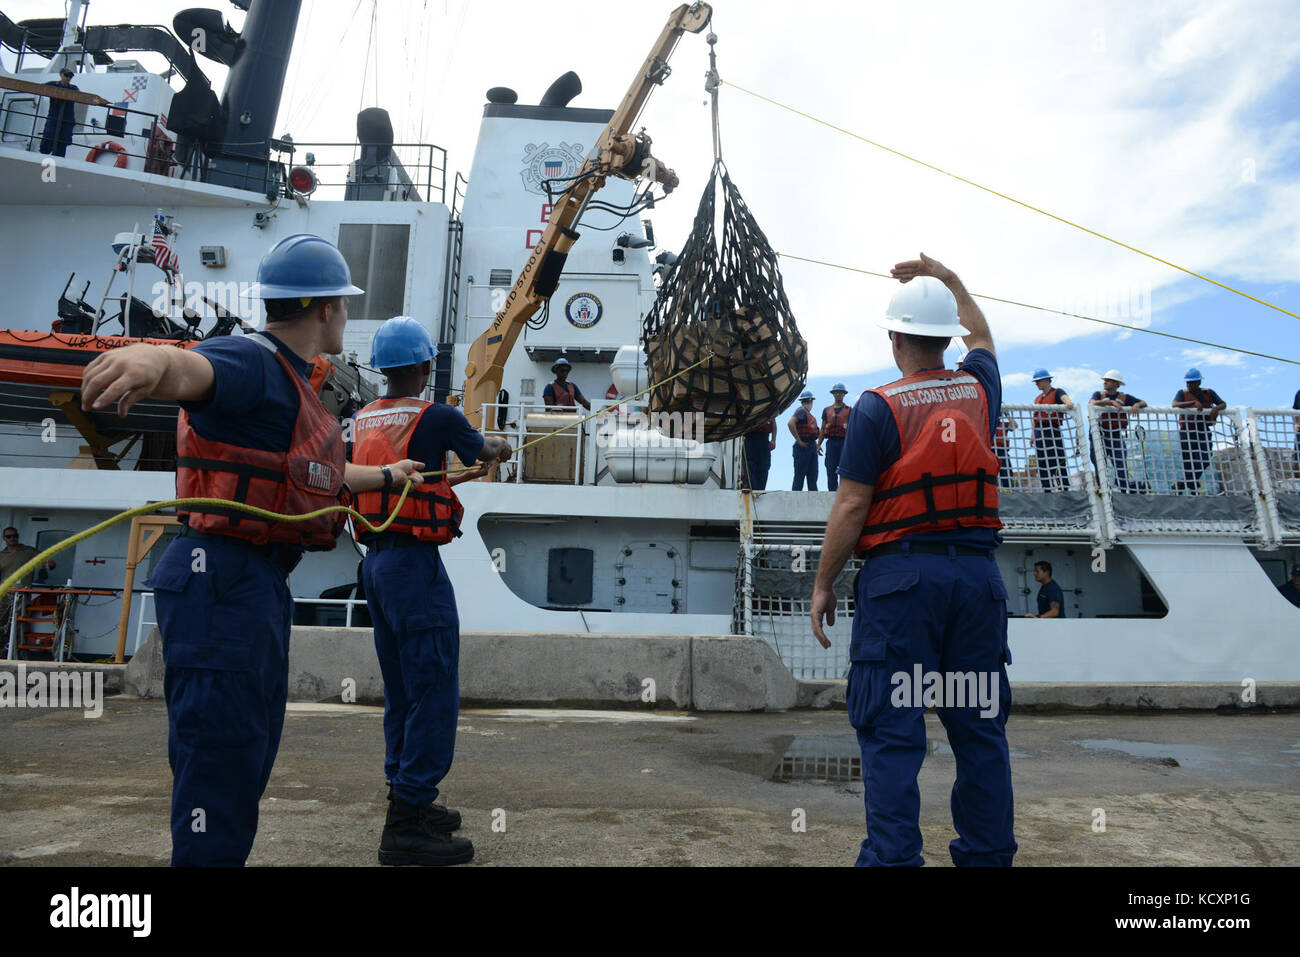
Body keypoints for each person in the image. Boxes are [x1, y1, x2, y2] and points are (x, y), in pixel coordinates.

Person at [79, 233, 424, 866]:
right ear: (325, 309)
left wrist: (390, 475)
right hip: (223, 581)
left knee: (245, 753)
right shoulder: (251, 360)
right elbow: (198, 370)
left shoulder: (294, 387)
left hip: (250, 584)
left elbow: (321, 474)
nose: (346, 315)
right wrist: (155, 360)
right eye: (344, 304)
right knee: (221, 759)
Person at [810, 252, 1016, 868]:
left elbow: (851, 506)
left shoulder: (877, 405)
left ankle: (894, 861)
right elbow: (981, 333)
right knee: (979, 730)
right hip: (978, 582)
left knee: (893, 732)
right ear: (945, 338)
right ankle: (986, 858)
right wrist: (950, 279)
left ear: (895, 336)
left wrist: (824, 585)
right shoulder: (980, 387)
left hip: (901, 584)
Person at [352, 316, 511, 867]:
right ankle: (408, 825)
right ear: (424, 366)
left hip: (374, 566)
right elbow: (479, 450)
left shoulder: (361, 418)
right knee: (435, 688)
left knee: (402, 688)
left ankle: (408, 796)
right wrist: (501, 445)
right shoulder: (437, 415)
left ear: (380, 367)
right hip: (415, 567)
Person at [1089, 370, 1146, 493]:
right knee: (1099, 462)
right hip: (1099, 433)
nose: (1105, 382)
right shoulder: (1098, 395)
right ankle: (1102, 488)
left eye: (1108, 380)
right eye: (1105, 380)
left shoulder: (1125, 398)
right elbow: (1092, 403)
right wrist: (1109, 402)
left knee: (1120, 462)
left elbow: (1143, 402)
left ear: (1116, 384)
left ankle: (1123, 487)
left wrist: (1136, 405)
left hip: (1114, 433)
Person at [1171, 368, 1225, 494]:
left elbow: (1223, 403)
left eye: (1192, 383)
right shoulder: (1182, 393)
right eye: (1188, 383)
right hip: (1187, 431)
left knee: (1204, 459)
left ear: (1199, 382)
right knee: (1188, 461)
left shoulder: (1208, 393)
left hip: (1202, 430)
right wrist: (1193, 402)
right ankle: (1191, 485)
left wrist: (1216, 408)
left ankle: (1185, 482)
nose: (1189, 385)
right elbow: (1174, 404)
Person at [1031, 369, 1073, 491]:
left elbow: (1064, 397)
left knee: (1058, 459)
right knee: (1042, 462)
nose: (1036, 384)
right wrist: (1032, 435)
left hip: (1052, 430)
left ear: (1046, 380)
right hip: (1040, 431)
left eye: (1038, 381)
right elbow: (1035, 418)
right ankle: (1047, 489)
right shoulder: (1037, 399)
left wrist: (1068, 402)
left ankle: (1063, 486)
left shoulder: (1057, 392)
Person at [39, 68, 79, 158]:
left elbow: (78, 95)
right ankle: (43, 155)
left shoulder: (74, 88)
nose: (68, 77)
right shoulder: (52, 84)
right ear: (61, 75)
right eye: (66, 75)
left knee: (63, 140)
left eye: (70, 76)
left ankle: (58, 159)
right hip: (54, 115)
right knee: (49, 134)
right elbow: (41, 88)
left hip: (67, 118)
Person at [819, 384, 851, 492]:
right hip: (831, 443)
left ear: (844, 394)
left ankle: (843, 492)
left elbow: (853, 429)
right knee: (830, 468)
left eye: (841, 392)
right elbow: (823, 429)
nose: (838, 394)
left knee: (844, 468)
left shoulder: (849, 410)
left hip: (844, 443)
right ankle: (832, 492)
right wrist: (818, 444)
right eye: (836, 392)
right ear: (833, 394)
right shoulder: (826, 410)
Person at [789, 390, 820, 491]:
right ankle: (795, 500)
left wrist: (816, 446)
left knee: (812, 476)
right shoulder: (801, 411)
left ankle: (813, 499)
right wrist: (799, 441)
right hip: (803, 446)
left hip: (811, 446)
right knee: (800, 476)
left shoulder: (808, 415)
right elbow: (790, 423)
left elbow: (811, 434)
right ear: (810, 401)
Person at [741, 418, 776, 491]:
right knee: (749, 464)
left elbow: (773, 422)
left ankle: (760, 490)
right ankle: (752, 488)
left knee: (764, 466)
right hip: (750, 438)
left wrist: (773, 440)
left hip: (764, 438)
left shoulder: (769, 408)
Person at [993, 411, 1016, 489]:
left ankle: (1009, 490)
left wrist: (1008, 415)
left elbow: (1014, 426)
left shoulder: (1004, 424)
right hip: (990, 451)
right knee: (991, 474)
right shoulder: (988, 423)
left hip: (1002, 451)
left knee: (1006, 474)